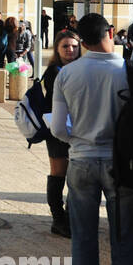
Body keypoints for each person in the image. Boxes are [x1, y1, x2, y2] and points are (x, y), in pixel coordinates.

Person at [48, 13, 133, 265]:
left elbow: (56, 128)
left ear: (81, 39)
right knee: (123, 244)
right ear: (110, 32)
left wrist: (79, 139)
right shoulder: (132, 70)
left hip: (80, 164)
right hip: (122, 166)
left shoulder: (67, 74)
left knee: (83, 242)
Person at [41, 29, 80, 238]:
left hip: (77, 129)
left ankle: (68, 217)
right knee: (58, 174)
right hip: (57, 129)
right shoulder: (55, 71)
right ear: (57, 49)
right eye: (65, 46)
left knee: (74, 175)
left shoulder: (79, 68)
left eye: (74, 46)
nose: (70, 50)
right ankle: (58, 219)